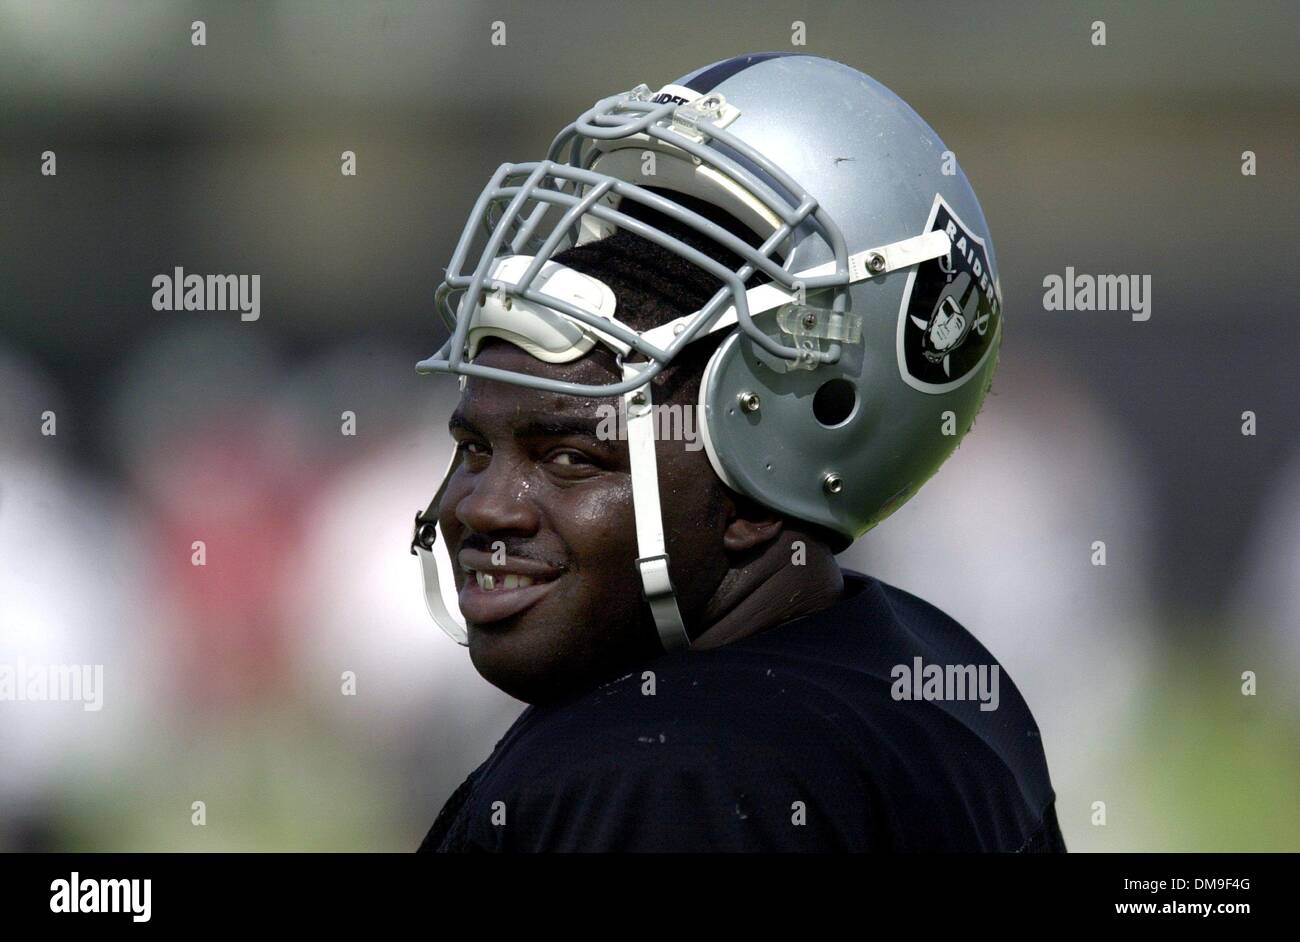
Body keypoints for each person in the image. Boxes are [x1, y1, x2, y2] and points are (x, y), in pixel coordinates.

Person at [410, 52, 1064, 852]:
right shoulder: (935, 669)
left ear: (754, 491)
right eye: (474, 447)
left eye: (570, 457)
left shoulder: (658, 779)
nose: (479, 506)